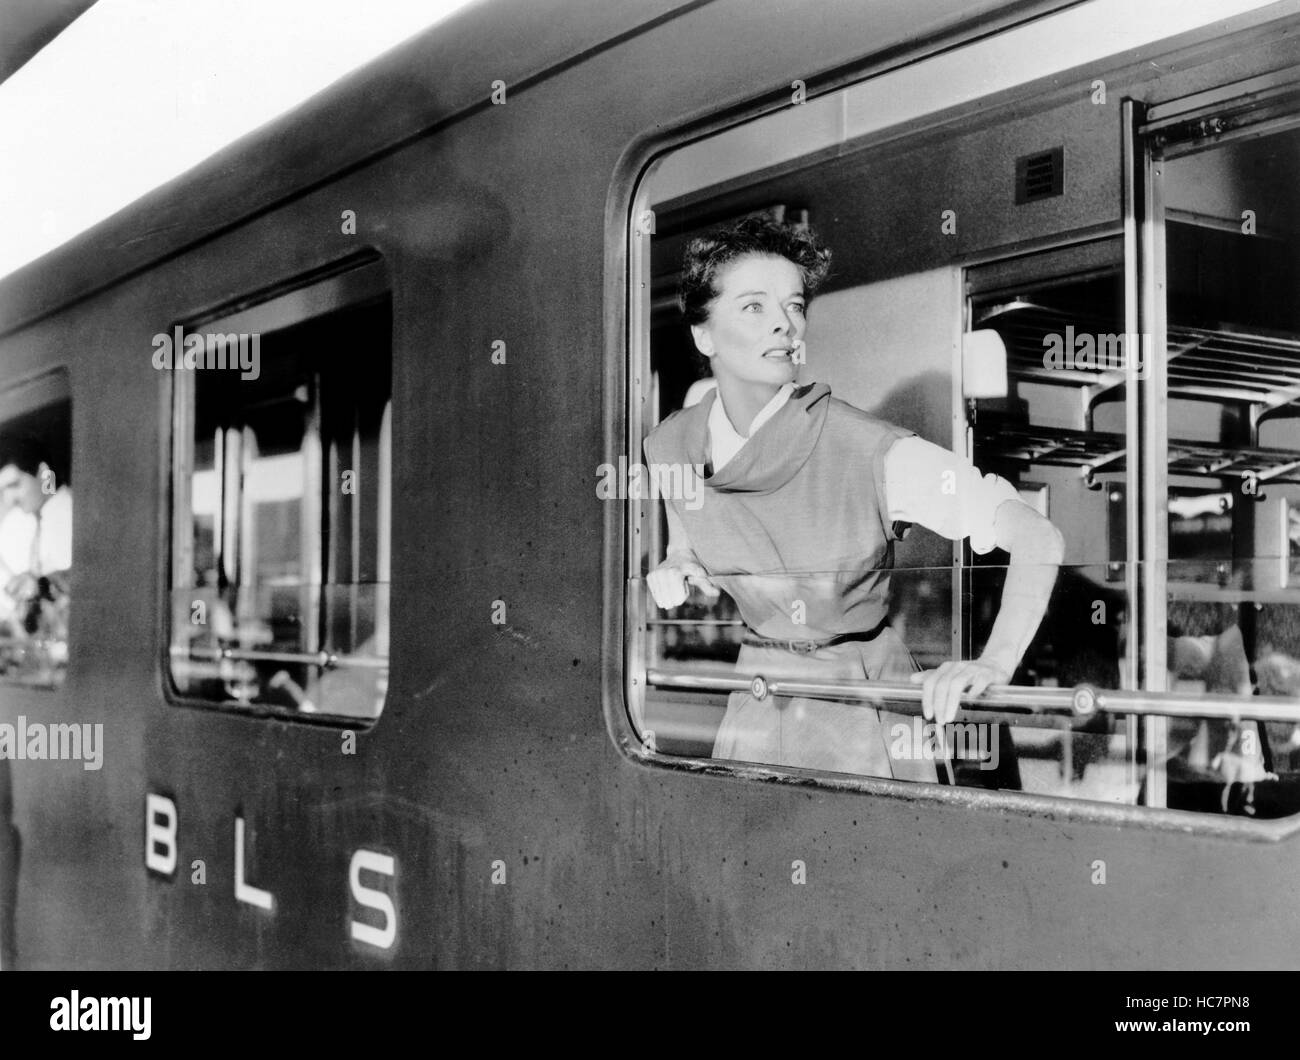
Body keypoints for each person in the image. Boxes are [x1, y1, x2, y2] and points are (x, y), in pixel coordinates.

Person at [644, 216, 1064, 780]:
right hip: (757, 693)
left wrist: (992, 665)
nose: (784, 327)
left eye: (794, 307)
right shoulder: (669, 444)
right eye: (753, 307)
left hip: (863, 700)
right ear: (703, 335)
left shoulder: (870, 450)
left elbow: (1039, 536)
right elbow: (689, 541)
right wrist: (680, 565)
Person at [0, 435, 72, 672]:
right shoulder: (38, 522)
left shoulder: (70, 514)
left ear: (43, 475)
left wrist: (39, 585)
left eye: (14, 485)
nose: (10, 498)